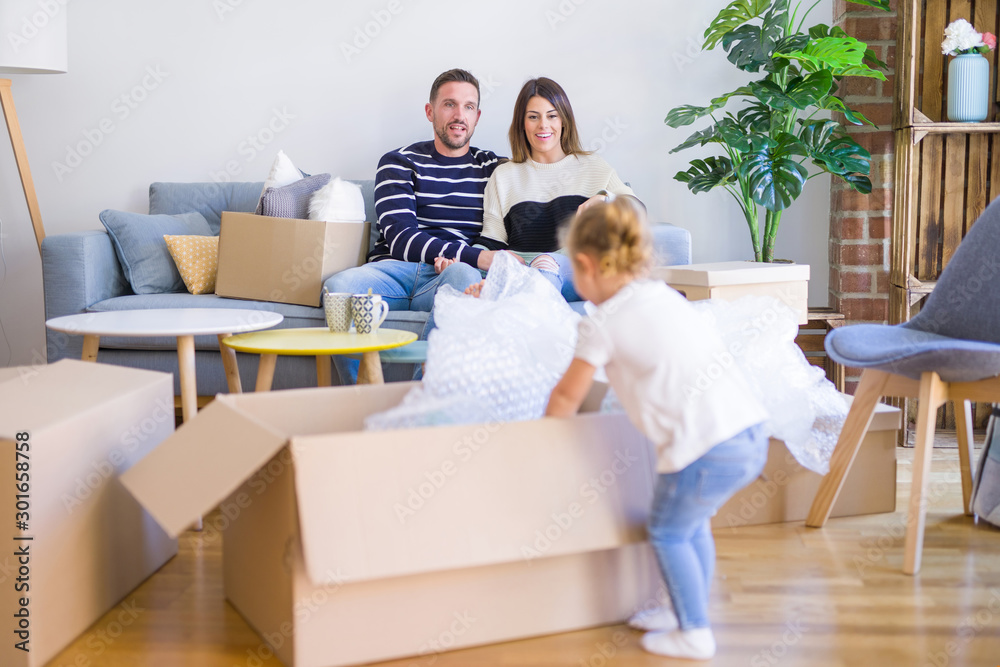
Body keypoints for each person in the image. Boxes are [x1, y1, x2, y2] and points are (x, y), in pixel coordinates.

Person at [544, 198, 769, 660]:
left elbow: (567, 396)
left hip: (701, 448)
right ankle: (685, 611)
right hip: (747, 433)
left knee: (667, 531)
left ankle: (694, 633)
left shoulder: (601, 324)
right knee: (691, 526)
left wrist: (542, 441)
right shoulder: (661, 298)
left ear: (586, 265)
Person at [323, 68, 506, 331]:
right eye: (449, 104)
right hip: (393, 273)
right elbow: (401, 239)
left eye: (468, 107)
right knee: (337, 288)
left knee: (466, 276)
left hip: (449, 275)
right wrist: (473, 256)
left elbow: (533, 187)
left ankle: (424, 374)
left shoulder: (492, 168)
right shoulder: (398, 162)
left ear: (477, 117)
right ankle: (365, 376)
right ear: (430, 111)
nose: (459, 115)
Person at [444, 77, 640, 301]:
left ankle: (514, 298)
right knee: (470, 280)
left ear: (563, 121)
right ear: (522, 123)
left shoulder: (592, 166)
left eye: (552, 116)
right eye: (533, 117)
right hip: (521, 271)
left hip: (575, 270)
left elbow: (635, 210)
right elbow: (492, 241)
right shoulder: (504, 175)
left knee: (545, 263)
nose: (543, 125)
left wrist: (605, 199)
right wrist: (462, 257)